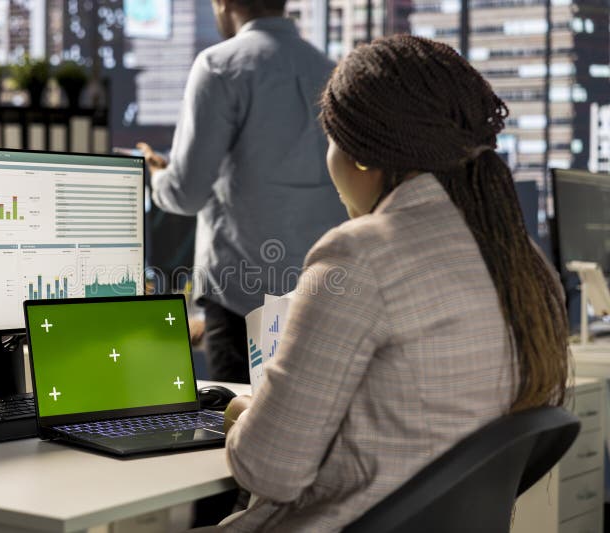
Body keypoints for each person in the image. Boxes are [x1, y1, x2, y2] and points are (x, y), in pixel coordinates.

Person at [211, 35, 570, 532]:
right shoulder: (523, 260)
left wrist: (242, 413)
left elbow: (268, 471)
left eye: (330, 140)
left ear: (360, 156)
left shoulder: (359, 254)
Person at [137, 0, 345, 384]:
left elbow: (186, 193)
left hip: (240, 300)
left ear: (223, 3)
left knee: (235, 416)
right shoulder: (330, 70)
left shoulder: (219, 66)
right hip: (317, 298)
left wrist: (157, 177)